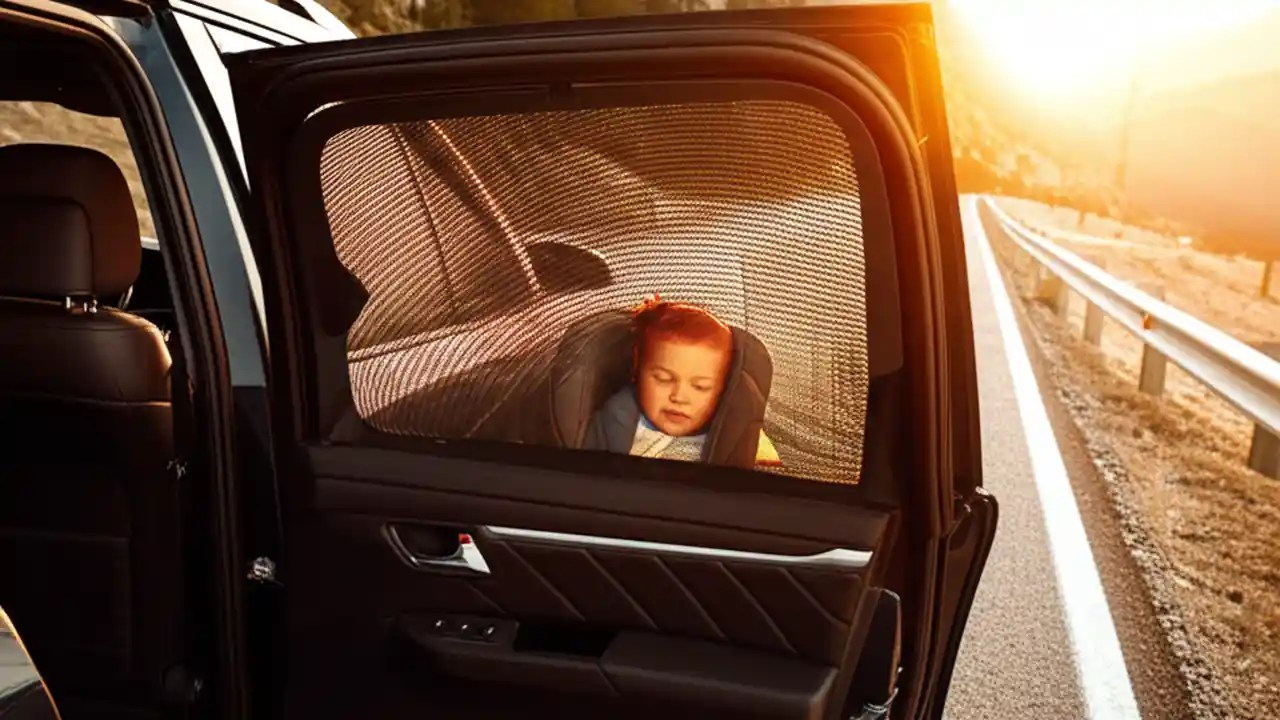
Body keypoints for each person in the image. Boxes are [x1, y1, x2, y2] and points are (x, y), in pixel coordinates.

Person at [586, 296, 781, 465]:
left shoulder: (738, 434)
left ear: (722, 389)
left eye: (700, 387)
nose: (679, 397)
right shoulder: (613, 422)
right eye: (663, 379)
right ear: (638, 368)